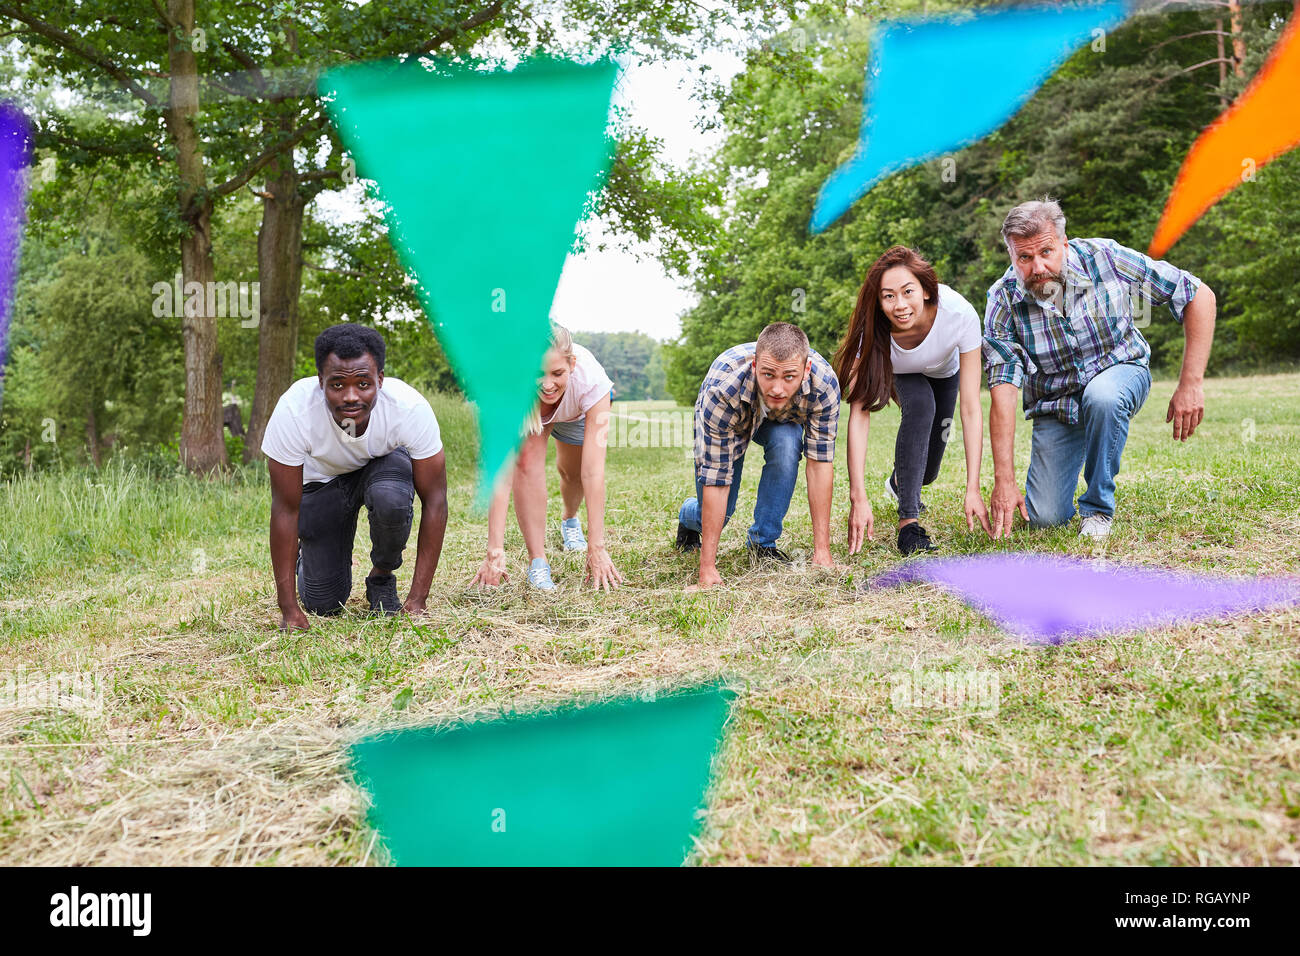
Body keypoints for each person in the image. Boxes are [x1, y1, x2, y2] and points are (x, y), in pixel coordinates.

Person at [983, 198, 1216, 539]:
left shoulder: (1105, 257)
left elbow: (1196, 294)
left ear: (1064, 243)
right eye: (1025, 257)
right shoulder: (1003, 300)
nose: (1037, 267)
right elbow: (1003, 390)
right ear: (1012, 256)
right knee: (1046, 517)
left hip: (1120, 371)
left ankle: (1097, 511)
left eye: (1046, 252)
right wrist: (1004, 481)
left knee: (1103, 398)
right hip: (1057, 402)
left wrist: (1190, 383)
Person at [262, 324, 448, 630]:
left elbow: (436, 501)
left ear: (380, 380)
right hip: (323, 486)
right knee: (323, 603)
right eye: (337, 385)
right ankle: (309, 557)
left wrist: (418, 600)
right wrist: (288, 609)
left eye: (363, 384)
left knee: (392, 498)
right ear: (320, 382)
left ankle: (382, 576)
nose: (351, 397)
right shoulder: (294, 412)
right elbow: (285, 508)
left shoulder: (409, 408)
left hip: (381, 470)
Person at [833, 245, 992, 556]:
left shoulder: (959, 315)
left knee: (927, 473)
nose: (899, 304)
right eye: (888, 296)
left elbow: (971, 408)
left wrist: (973, 487)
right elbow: (859, 414)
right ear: (878, 301)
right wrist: (858, 496)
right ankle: (909, 525)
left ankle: (898, 481)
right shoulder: (872, 331)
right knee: (921, 406)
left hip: (945, 373)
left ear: (927, 291)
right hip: (899, 372)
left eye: (908, 292)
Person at [674, 322, 841, 590]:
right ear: (754, 366)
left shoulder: (824, 385)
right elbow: (717, 479)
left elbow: (820, 463)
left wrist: (822, 552)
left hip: (781, 420)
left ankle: (763, 542)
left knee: (788, 443)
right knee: (721, 514)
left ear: (806, 370)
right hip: (733, 416)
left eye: (789, 377)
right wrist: (707, 568)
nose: (777, 388)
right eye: (768, 375)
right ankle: (688, 514)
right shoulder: (721, 392)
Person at [470, 323, 622, 591]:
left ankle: (569, 519)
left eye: (557, 372)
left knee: (572, 473)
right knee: (526, 464)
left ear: (572, 364)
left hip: (576, 409)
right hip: (531, 408)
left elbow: (593, 471)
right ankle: (537, 563)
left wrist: (596, 546)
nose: (548, 383)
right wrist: (495, 550)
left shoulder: (591, 380)